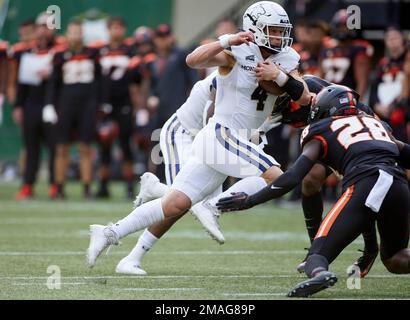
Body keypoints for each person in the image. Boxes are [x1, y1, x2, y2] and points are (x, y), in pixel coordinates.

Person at [86, 1, 312, 268]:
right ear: (255, 28)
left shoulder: (288, 58)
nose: (278, 36)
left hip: (231, 140)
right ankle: (214, 205)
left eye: (280, 30)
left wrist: (281, 77)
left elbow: (305, 96)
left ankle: (110, 232)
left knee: (175, 204)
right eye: (272, 30)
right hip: (222, 135)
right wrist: (225, 40)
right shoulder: (237, 51)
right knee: (276, 176)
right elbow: (192, 60)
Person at [216, 84, 410, 297]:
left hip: (366, 182)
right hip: (399, 185)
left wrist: (249, 200)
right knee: (395, 257)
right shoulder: (377, 125)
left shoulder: (320, 129)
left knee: (316, 257)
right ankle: (355, 254)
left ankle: (319, 273)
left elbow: (292, 177)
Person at [45, 21, 100, 198]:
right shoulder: (60, 55)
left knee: (85, 146)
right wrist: (49, 105)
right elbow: (53, 82)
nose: (75, 35)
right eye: (72, 31)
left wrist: (101, 102)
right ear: (67, 34)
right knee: (61, 146)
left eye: (78, 31)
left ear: (82, 34)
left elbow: (100, 79)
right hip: (66, 103)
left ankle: (86, 187)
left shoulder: (93, 53)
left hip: (87, 104)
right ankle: (59, 187)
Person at [12, 15, 60, 200]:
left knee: (54, 147)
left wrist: (52, 73)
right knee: (31, 147)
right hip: (31, 105)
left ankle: (55, 185)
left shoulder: (60, 50)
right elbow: (22, 82)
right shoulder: (27, 51)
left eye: (48, 26)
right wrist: (18, 105)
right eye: (41, 26)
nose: (44, 30)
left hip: (53, 106)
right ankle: (27, 185)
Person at [94, 17, 137, 199]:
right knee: (104, 145)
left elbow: (136, 78)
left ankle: (129, 185)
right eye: (113, 28)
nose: (116, 31)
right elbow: (96, 79)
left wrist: (136, 106)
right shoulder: (99, 51)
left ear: (124, 30)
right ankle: (103, 185)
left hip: (124, 103)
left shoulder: (130, 50)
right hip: (105, 103)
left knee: (125, 143)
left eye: (119, 28)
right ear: (108, 29)